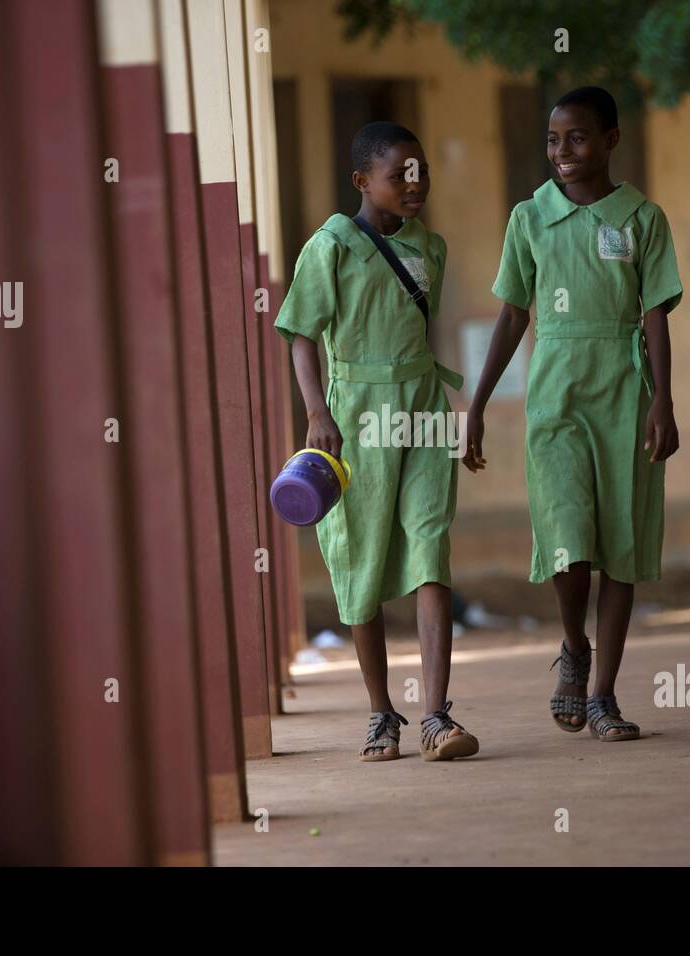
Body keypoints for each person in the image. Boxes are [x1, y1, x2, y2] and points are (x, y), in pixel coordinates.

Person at [465, 86, 683, 742]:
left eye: (579, 137)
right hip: (555, 393)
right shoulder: (529, 218)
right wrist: (474, 405)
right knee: (566, 540)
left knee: (620, 544)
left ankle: (603, 697)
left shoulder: (642, 217)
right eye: (554, 139)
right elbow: (512, 314)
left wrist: (664, 401)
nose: (563, 151)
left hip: (625, 391)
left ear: (612, 139)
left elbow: (654, 315)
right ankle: (572, 645)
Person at [275, 121, 479, 762]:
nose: (415, 184)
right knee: (359, 560)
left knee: (429, 548)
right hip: (354, 418)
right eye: (400, 175)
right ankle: (380, 713)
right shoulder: (330, 246)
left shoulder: (432, 247)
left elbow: (418, 335)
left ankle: (437, 716)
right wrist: (316, 411)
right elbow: (302, 334)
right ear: (363, 182)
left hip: (420, 411)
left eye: (421, 171)